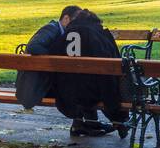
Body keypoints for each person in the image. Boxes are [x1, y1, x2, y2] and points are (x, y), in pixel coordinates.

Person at [43, 9, 129, 139]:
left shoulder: (64, 35)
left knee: (79, 82)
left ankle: (83, 124)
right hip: (92, 92)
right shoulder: (99, 35)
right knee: (102, 85)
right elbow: (114, 66)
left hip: (66, 93)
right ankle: (119, 121)